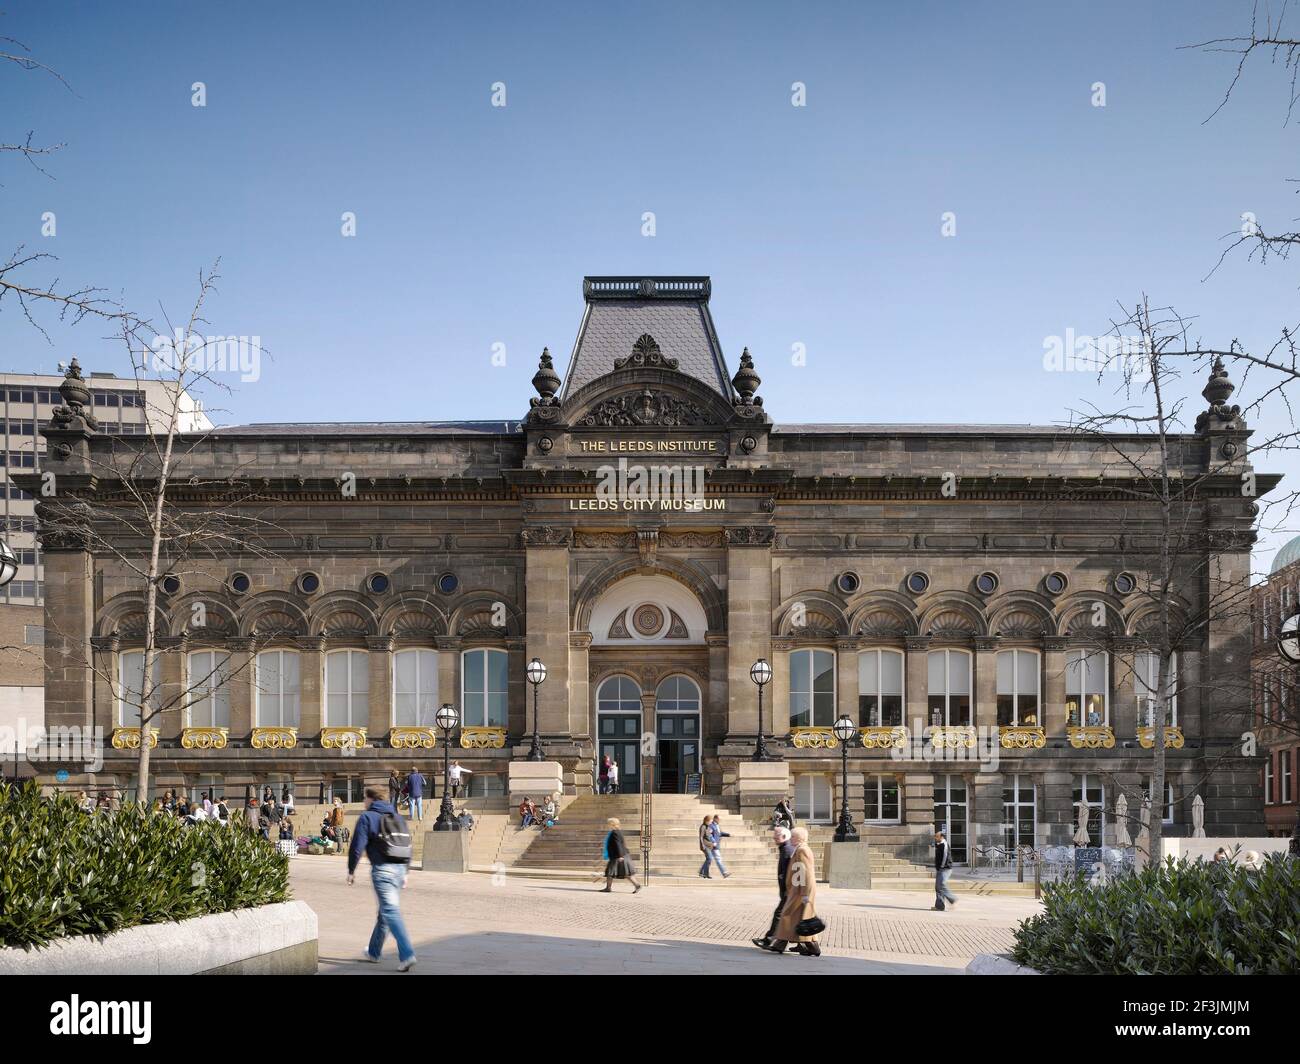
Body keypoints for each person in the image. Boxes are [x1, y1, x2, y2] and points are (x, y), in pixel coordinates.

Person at [348, 786, 417, 971]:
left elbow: (357, 846)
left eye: (365, 798)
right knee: (385, 913)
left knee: (390, 912)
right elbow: (407, 842)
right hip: (400, 868)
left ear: (371, 799)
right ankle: (374, 952)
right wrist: (406, 872)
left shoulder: (367, 817)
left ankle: (407, 954)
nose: (364, 802)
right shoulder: (396, 816)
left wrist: (351, 870)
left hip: (383, 870)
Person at [766, 826, 821, 956]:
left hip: (801, 891)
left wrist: (804, 894)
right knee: (797, 918)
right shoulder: (800, 849)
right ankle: (805, 946)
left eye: (793, 836)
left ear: (798, 838)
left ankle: (784, 944)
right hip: (798, 890)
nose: (791, 839)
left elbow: (805, 872)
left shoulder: (802, 850)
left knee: (791, 916)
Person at [753, 826, 796, 950]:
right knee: (789, 916)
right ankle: (800, 944)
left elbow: (789, 873)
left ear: (784, 837)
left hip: (789, 891)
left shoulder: (787, 850)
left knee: (780, 914)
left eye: (776, 835)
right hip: (788, 890)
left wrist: (787, 890)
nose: (774, 838)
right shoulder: (785, 849)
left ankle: (769, 939)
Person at [599, 817, 642, 893]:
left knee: (612, 872)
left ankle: (637, 885)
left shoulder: (615, 832)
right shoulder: (617, 832)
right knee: (619, 872)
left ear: (612, 824)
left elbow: (618, 845)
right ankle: (608, 887)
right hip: (618, 855)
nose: (607, 825)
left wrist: (620, 856)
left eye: (608, 823)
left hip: (618, 856)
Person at [933, 827, 958, 912]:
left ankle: (952, 899)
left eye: (937, 837)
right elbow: (937, 847)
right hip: (940, 868)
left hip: (945, 869)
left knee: (942, 885)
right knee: (938, 887)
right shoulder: (939, 844)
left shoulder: (945, 845)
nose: (935, 838)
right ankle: (939, 906)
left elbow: (945, 857)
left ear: (941, 837)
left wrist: (942, 867)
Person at [699, 813, 729, 879]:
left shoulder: (708, 826)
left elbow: (713, 834)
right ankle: (723, 873)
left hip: (710, 845)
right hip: (706, 845)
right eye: (710, 821)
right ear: (706, 820)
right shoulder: (704, 826)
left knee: (708, 859)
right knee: (711, 858)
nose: (711, 822)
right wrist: (703, 845)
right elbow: (702, 837)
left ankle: (702, 872)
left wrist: (728, 834)